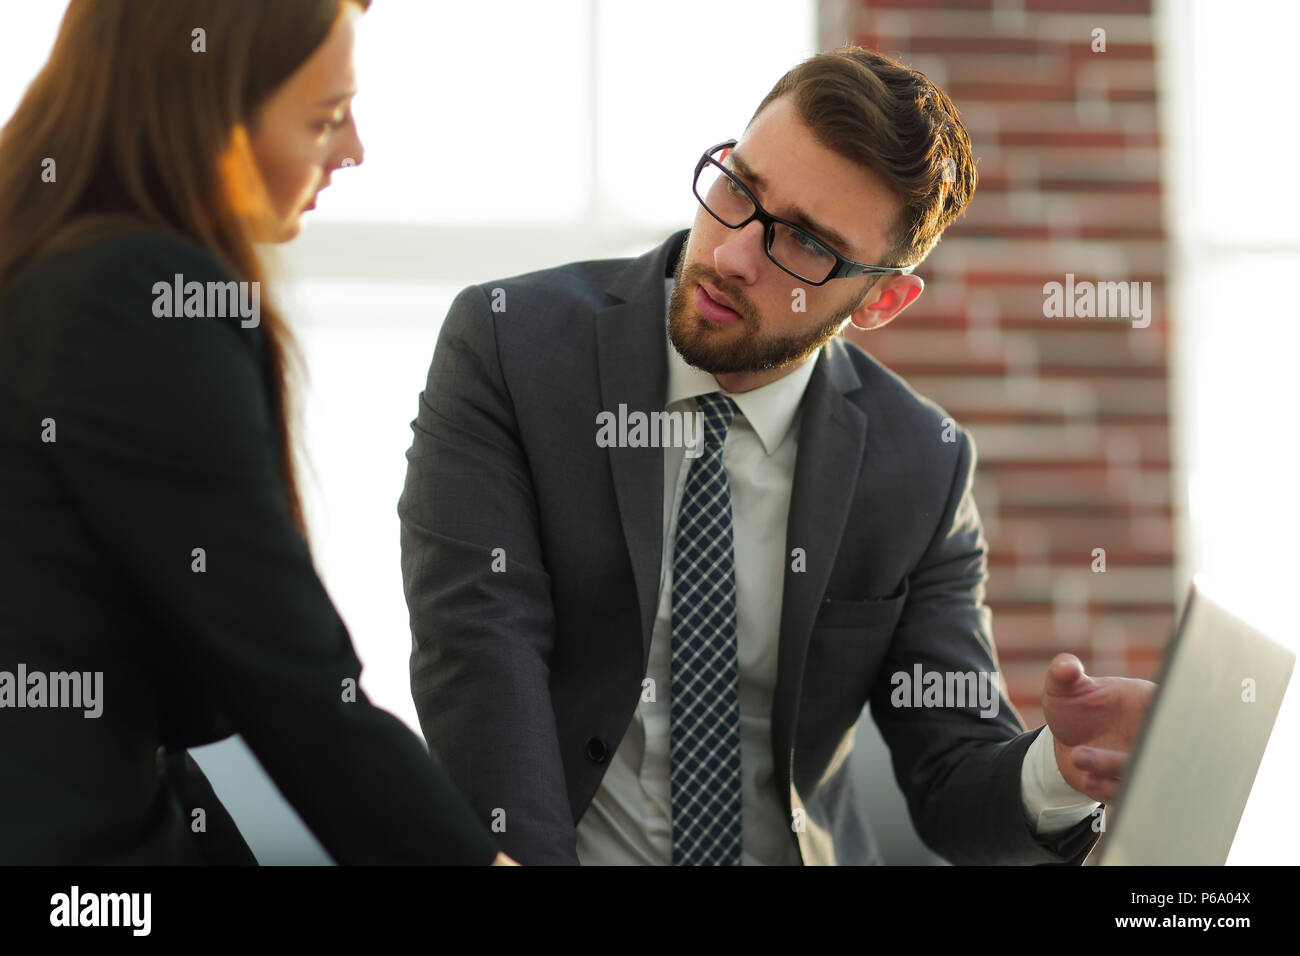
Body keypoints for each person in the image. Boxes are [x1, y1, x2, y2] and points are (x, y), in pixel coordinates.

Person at [398, 46, 1156, 865]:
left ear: (883, 300)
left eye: (801, 243)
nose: (731, 255)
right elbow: (480, 657)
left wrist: (1061, 769)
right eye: (738, 188)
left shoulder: (920, 467)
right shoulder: (513, 349)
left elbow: (953, 770)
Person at [0, 0, 515, 865]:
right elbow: (289, 674)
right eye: (323, 118)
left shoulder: (44, 267)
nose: (351, 150)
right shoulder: (135, 296)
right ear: (208, 110)